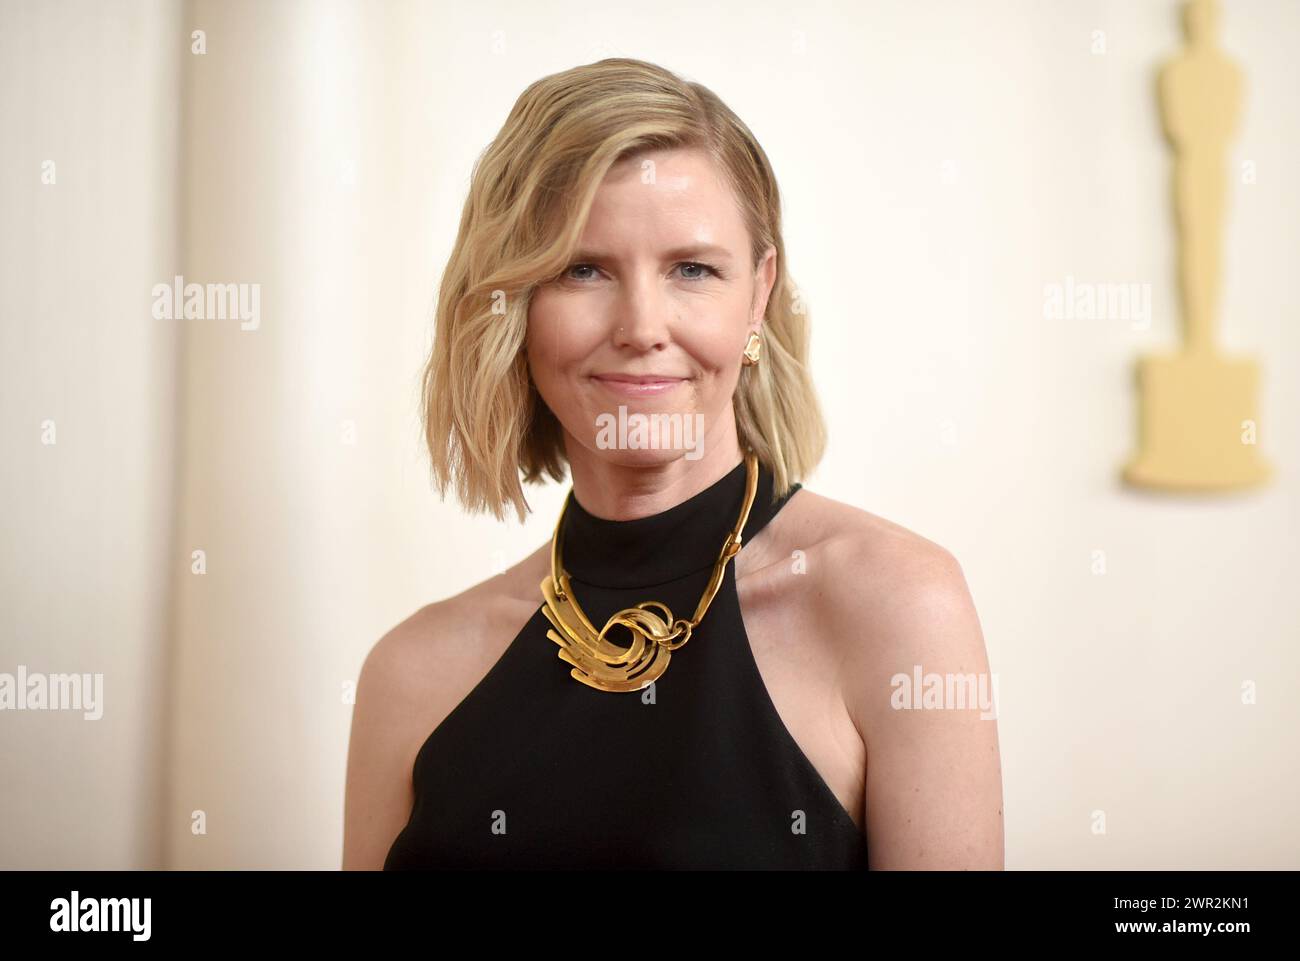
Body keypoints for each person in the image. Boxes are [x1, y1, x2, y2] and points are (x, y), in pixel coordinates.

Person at [343, 58, 1004, 870]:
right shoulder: (410, 672)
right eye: (582, 269)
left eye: (692, 269)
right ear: (509, 304)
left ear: (759, 294)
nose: (642, 325)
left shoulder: (898, 604)